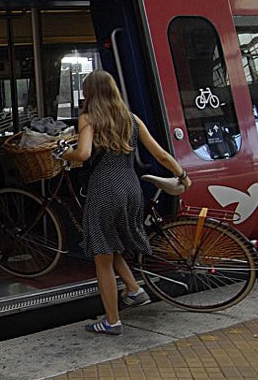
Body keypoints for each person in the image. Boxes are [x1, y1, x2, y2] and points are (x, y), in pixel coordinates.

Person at [58, 70, 191, 335]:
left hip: (104, 190)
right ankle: (133, 289)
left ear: (89, 93)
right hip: (131, 189)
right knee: (110, 243)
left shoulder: (88, 118)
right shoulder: (131, 119)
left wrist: (64, 152)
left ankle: (112, 321)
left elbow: (83, 154)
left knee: (102, 257)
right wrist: (182, 175)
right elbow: (161, 154)